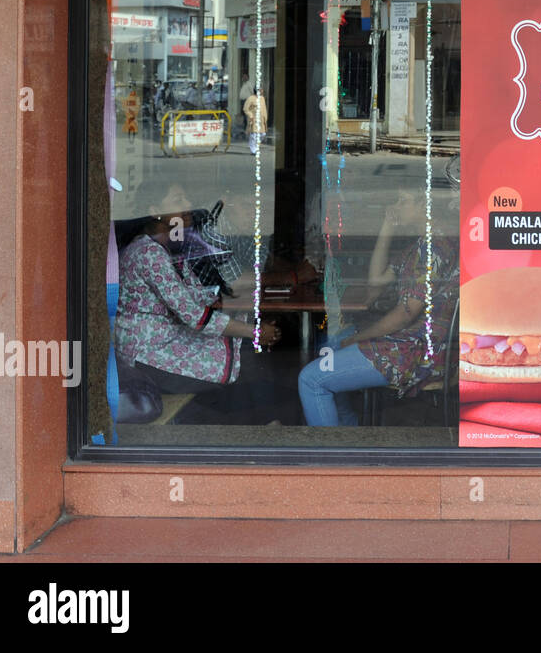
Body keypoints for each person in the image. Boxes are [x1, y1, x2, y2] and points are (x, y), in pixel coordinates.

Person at [297, 190, 459, 427]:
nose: (395, 206)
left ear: (425, 205)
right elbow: (376, 281)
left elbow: (405, 314)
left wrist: (357, 338)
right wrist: (387, 227)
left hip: (417, 352)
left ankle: (334, 447)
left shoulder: (431, 248)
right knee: (331, 344)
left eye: (403, 200)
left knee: (311, 380)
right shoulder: (425, 244)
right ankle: (345, 433)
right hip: (421, 345)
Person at [114, 184, 281, 405]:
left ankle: (262, 419)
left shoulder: (167, 248)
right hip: (148, 354)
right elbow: (195, 316)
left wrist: (245, 318)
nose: (188, 205)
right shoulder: (149, 253)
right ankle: (263, 420)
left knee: (243, 356)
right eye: (178, 200)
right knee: (243, 370)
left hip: (166, 341)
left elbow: (196, 296)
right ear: (155, 211)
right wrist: (255, 332)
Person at [244, 86, 267, 155]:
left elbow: (264, 109)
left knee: (263, 134)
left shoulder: (262, 98)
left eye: (262, 89)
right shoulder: (250, 98)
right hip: (254, 119)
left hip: (261, 120)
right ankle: (253, 150)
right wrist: (250, 115)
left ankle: (255, 147)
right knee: (253, 135)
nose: (262, 91)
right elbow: (245, 109)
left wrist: (265, 118)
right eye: (261, 89)